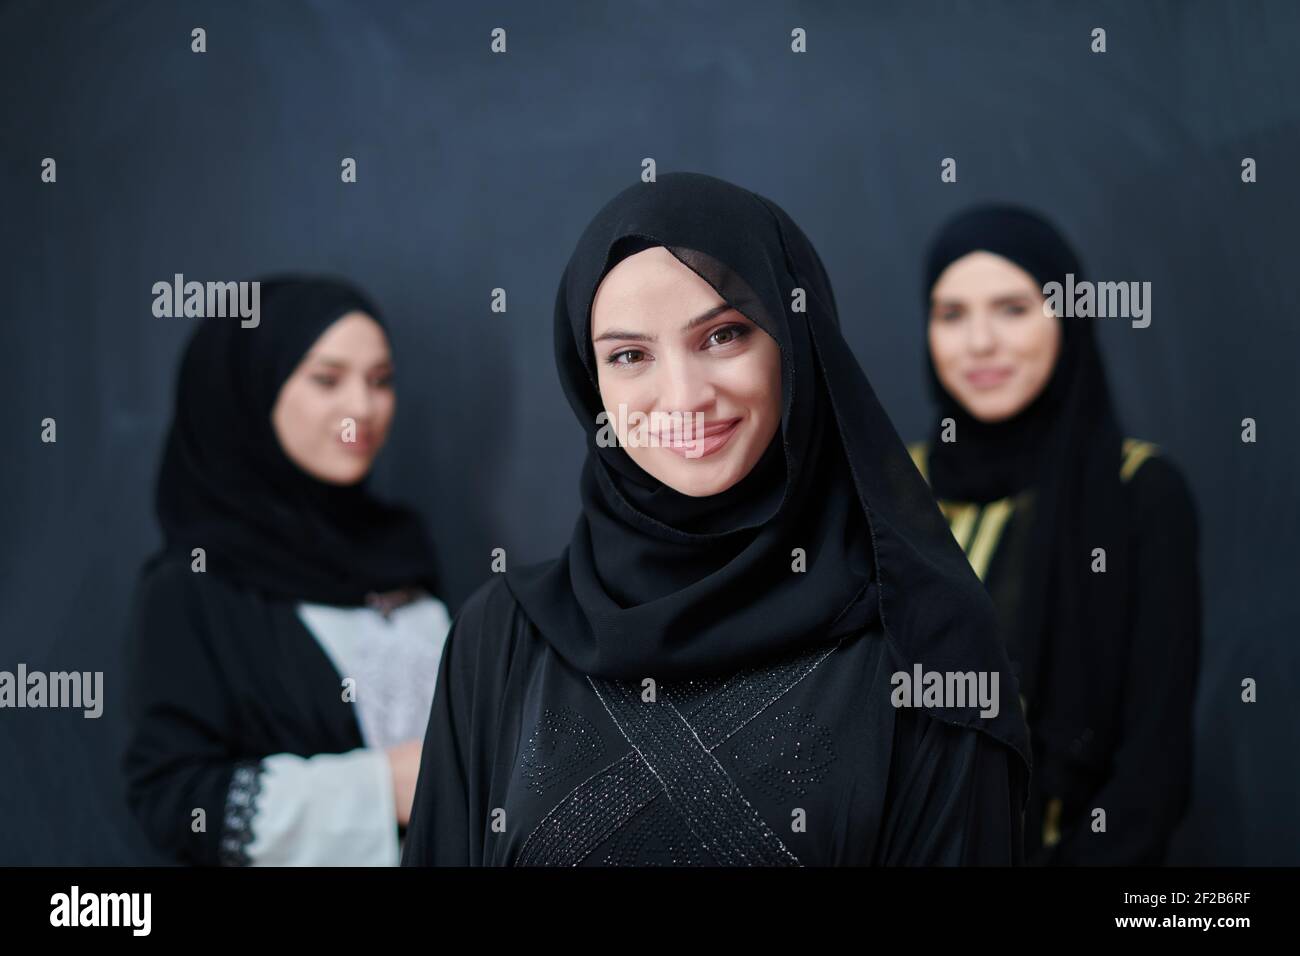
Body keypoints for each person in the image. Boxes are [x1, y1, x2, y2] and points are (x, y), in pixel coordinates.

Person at [402, 173, 1030, 867]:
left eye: (723, 335)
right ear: (590, 381)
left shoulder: (923, 641)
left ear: (796, 341)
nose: (683, 397)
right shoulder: (500, 637)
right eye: (630, 355)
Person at [123, 276, 449, 865]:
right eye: (327, 379)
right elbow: (174, 800)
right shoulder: (193, 586)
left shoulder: (402, 550)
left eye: (380, 380)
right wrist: (381, 787)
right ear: (253, 388)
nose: (362, 407)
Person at [910, 204, 1201, 864]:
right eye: (951, 314)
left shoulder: (1139, 491)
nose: (979, 343)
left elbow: (1153, 771)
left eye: (1013, 309)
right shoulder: (894, 486)